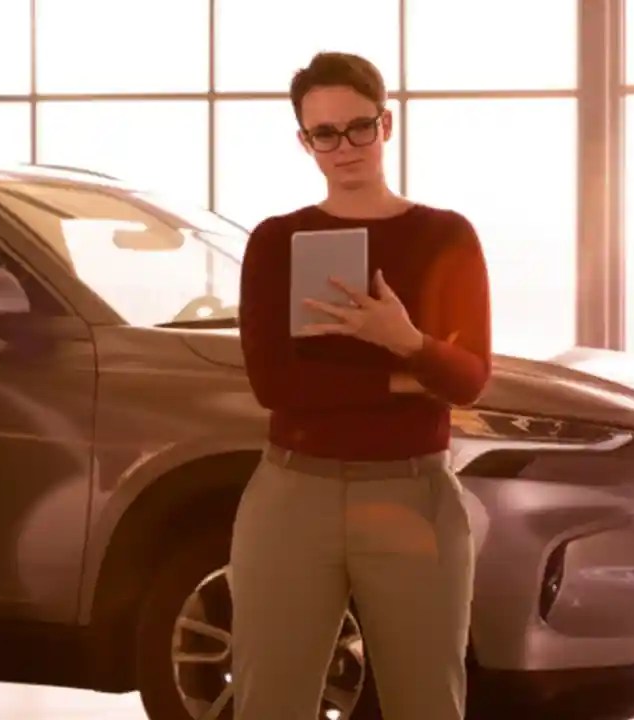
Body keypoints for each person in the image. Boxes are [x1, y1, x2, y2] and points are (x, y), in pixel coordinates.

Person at [229, 51, 492, 719]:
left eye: (359, 127)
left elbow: (470, 380)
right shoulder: (275, 240)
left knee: (427, 704)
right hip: (292, 496)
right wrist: (410, 374)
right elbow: (274, 384)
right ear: (304, 141)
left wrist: (404, 340)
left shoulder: (446, 236)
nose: (344, 147)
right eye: (324, 133)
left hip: (416, 496)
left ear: (387, 124)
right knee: (269, 704)